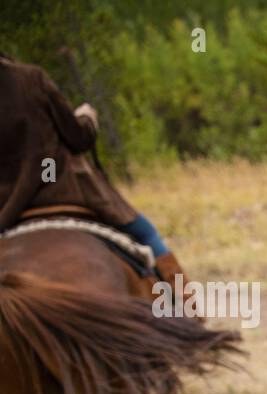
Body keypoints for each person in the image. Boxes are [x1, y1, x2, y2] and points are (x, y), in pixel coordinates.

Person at [0, 52, 190, 290]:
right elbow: (78, 138)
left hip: (6, 210)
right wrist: (87, 119)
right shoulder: (30, 78)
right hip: (64, 190)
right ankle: (189, 311)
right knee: (147, 234)